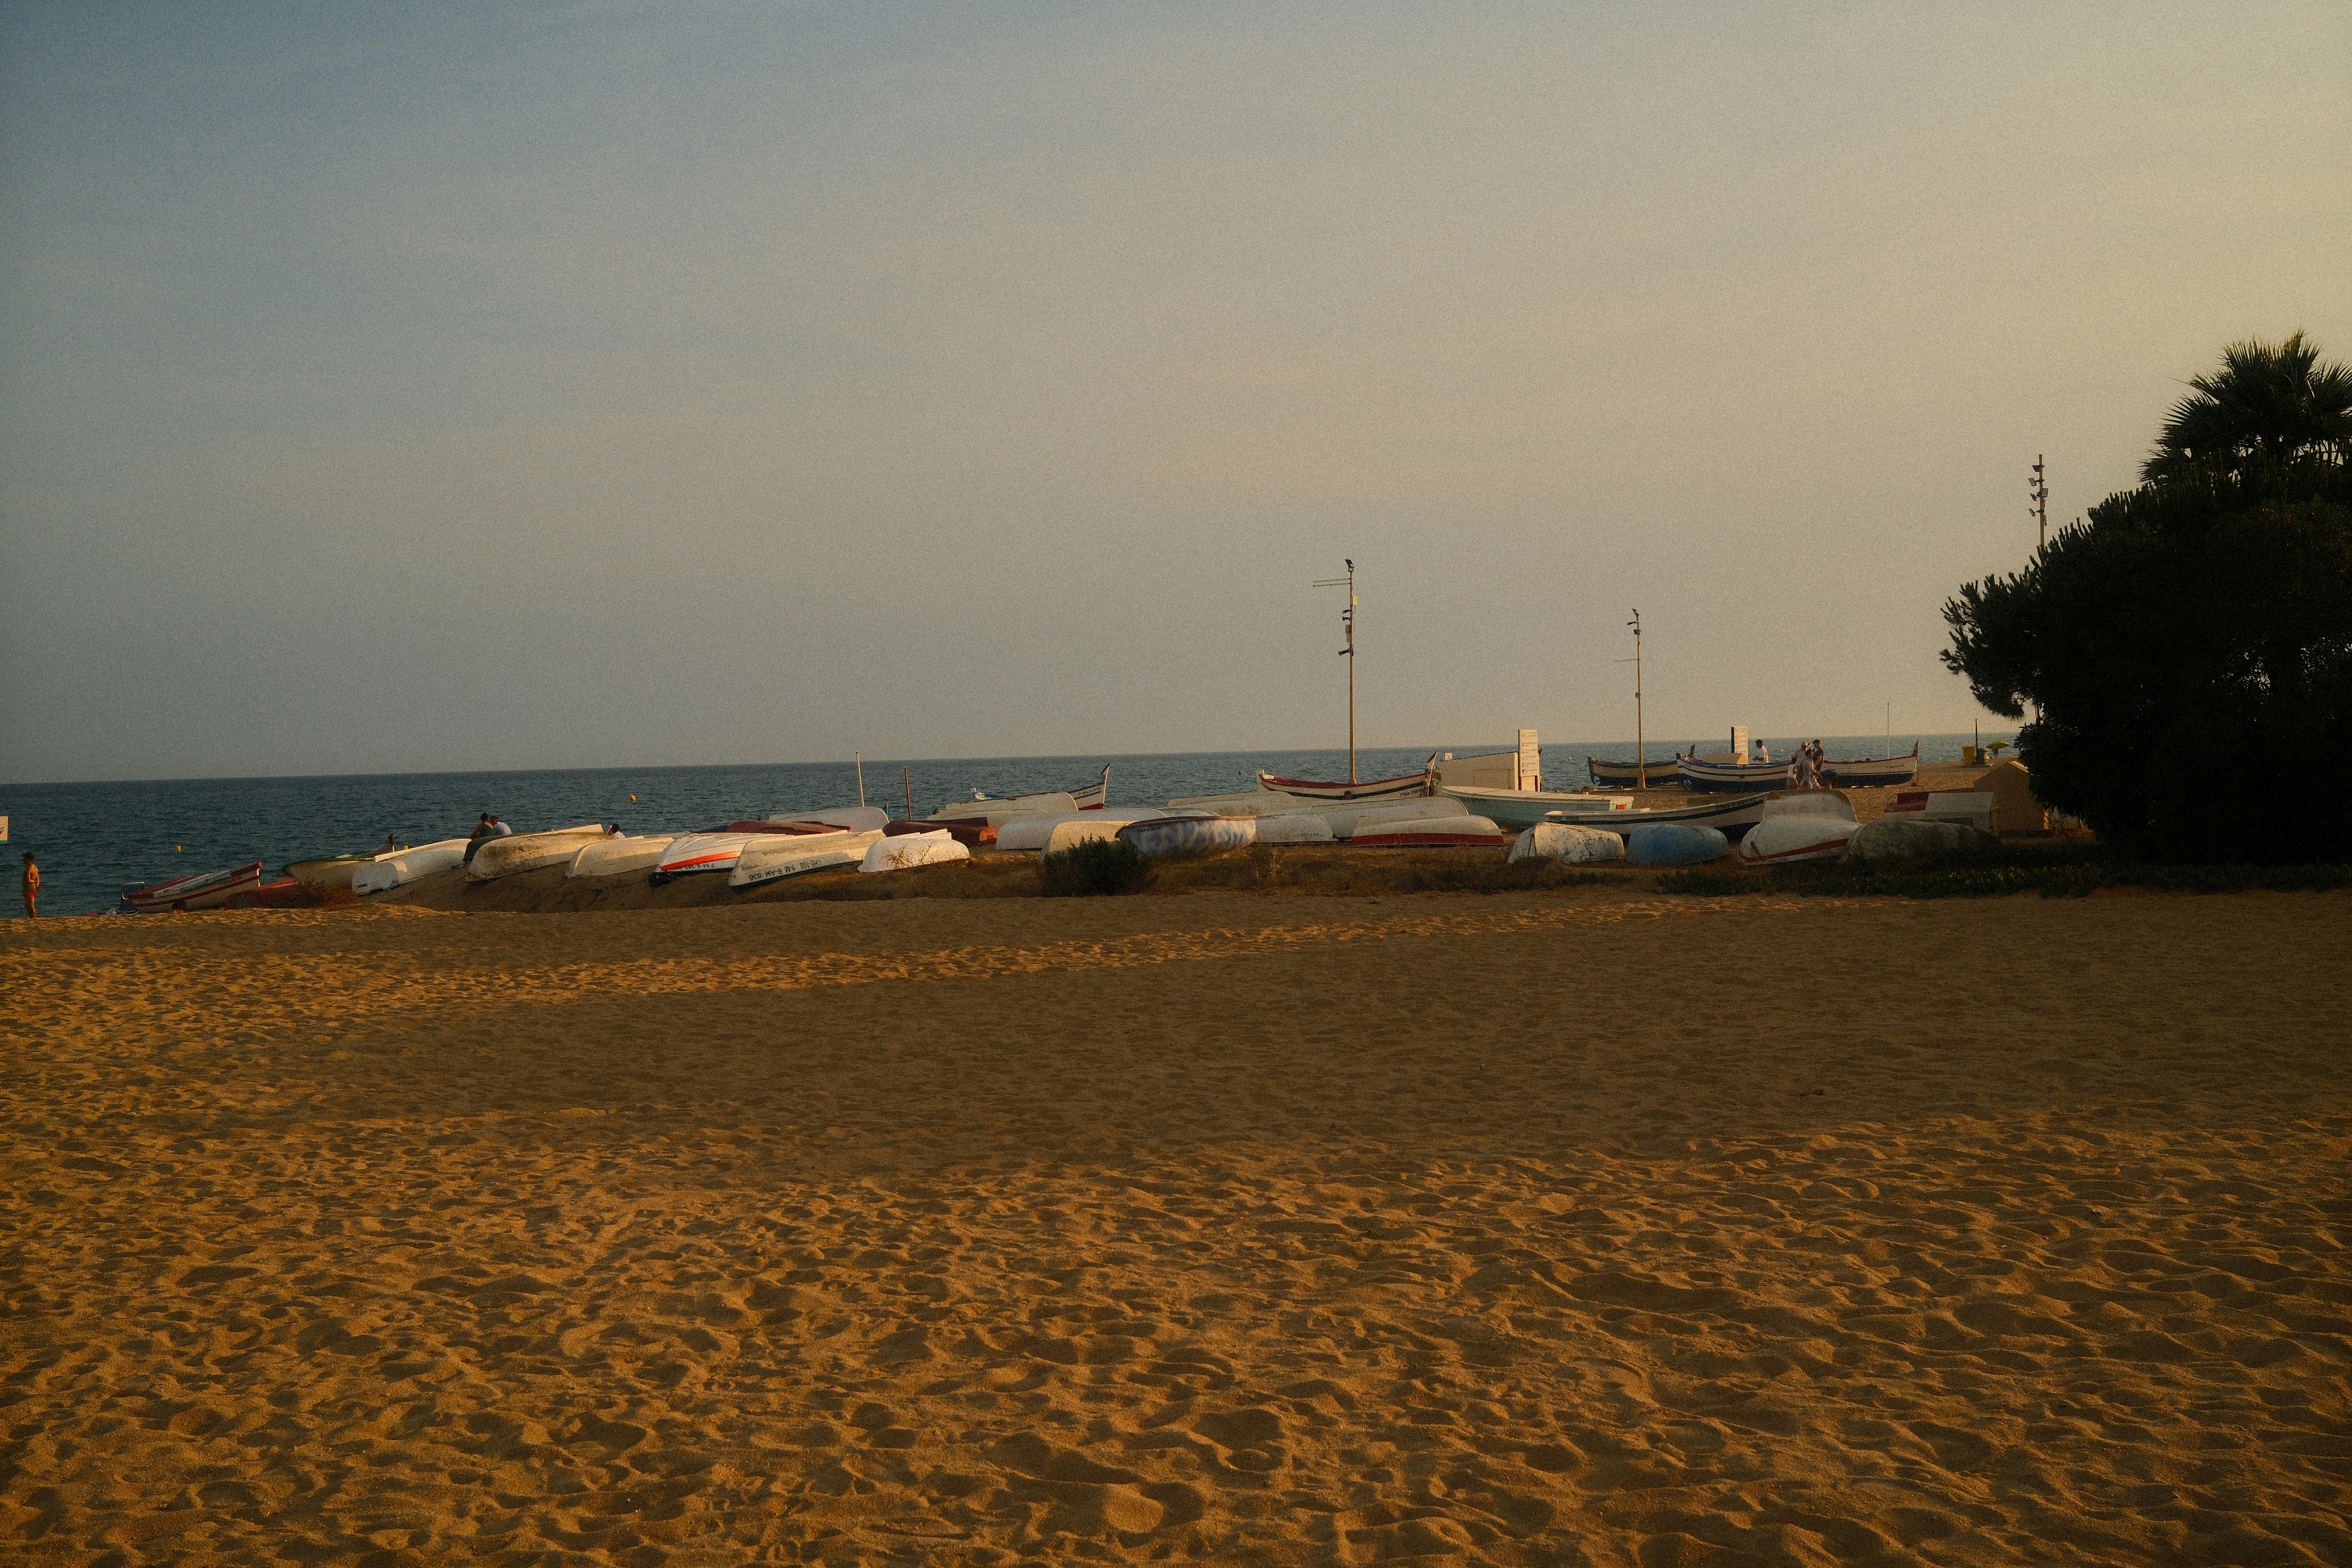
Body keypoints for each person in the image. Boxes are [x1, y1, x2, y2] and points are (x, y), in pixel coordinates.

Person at [19, 852, 37, 919]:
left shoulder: (29, 869)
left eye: (25, 858)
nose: (23, 860)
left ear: (28, 859)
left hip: (29, 889)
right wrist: (37, 885)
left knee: (30, 906)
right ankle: (33, 918)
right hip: (33, 888)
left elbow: (29, 880)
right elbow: (38, 878)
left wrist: (34, 882)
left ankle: (33, 918)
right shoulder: (35, 867)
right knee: (28, 905)